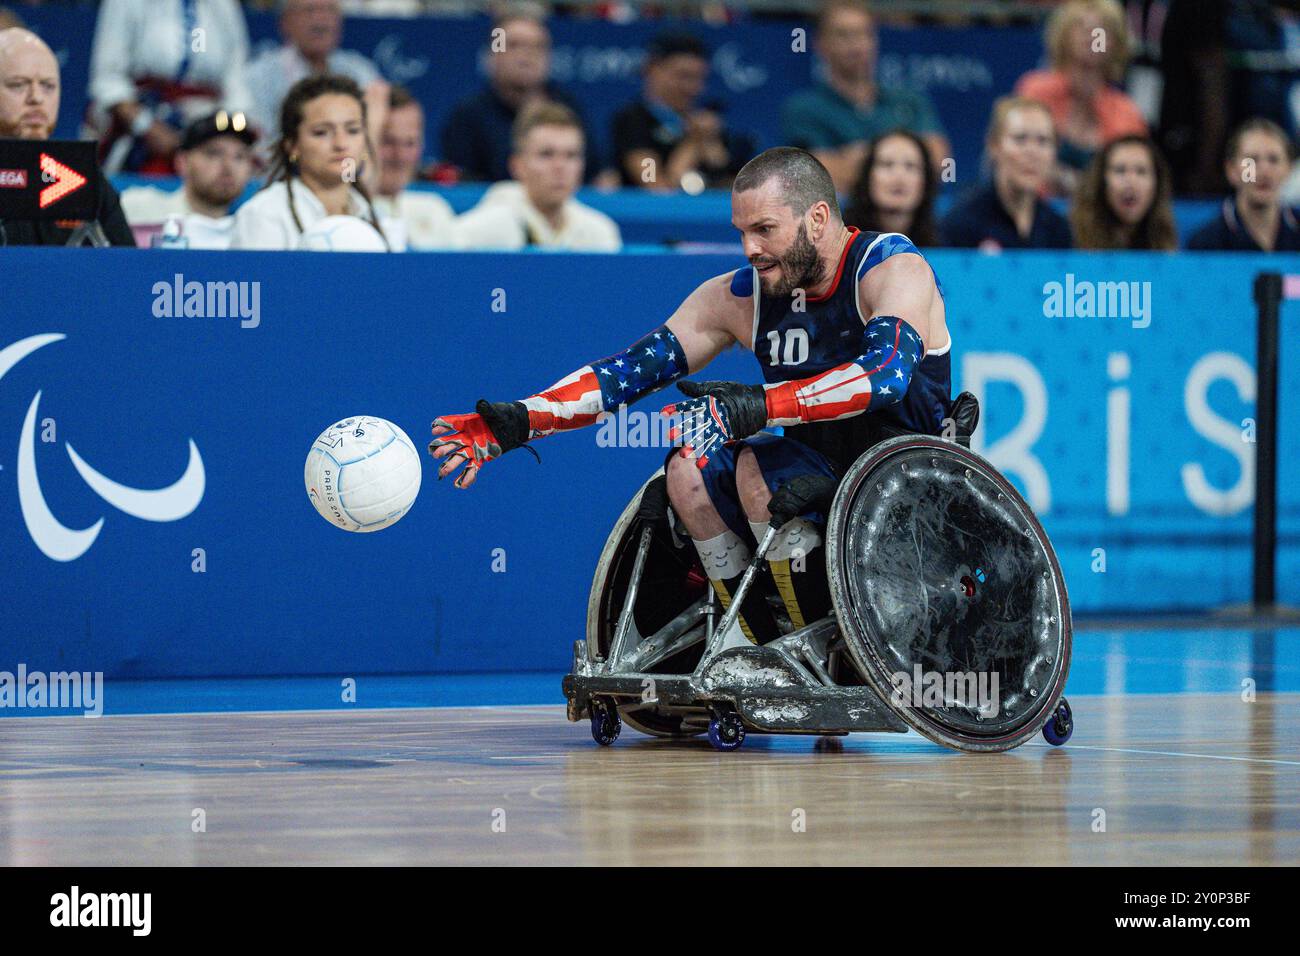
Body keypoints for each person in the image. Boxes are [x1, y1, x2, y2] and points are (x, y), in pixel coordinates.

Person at [428, 147, 953, 645]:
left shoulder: (892, 268)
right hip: (812, 463)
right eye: (742, 231)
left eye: (764, 230)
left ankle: (832, 647)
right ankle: (756, 644)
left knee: (753, 472)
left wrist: (760, 405)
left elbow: (883, 376)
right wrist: (524, 419)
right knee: (687, 467)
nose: (750, 249)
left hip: (903, 472)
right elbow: (625, 374)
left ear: (817, 219)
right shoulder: (741, 295)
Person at [781, 0, 950, 195]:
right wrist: (904, 158)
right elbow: (817, 178)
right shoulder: (803, 108)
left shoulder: (910, 99)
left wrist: (857, 157)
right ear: (820, 43)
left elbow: (937, 162)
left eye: (864, 34)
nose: (856, 45)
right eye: (843, 35)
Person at [230, 74, 399, 251]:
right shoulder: (264, 215)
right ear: (292, 146)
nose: (341, 144)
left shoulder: (380, 220)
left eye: (353, 130)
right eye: (321, 132)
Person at [0, 28, 134, 247]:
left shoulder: (81, 174)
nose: (36, 98)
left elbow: (127, 266)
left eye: (48, 86)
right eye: (18, 85)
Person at [86, 0, 253, 174]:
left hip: (209, 127)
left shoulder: (224, 5)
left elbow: (237, 81)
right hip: (144, 126)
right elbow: (108, 79)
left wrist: (227, 131)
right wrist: (146, 126)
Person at [439, 10, 602, 184]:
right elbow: (461, 182)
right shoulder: (467, 116)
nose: (526, 56)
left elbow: (595, 175)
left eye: (537, 47)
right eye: (514, 45)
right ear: (492, 55)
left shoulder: (569, 110)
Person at [1013, 0, 1147, 195]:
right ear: (1064, 37)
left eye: (1100, 29)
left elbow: (1132, 181)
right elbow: (1016, 160)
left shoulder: (1127, 113)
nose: (1090, 35)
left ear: (1115, 43)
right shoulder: (1035, 92)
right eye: (1080, 26)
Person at [455, 103, 621, 251]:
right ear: (517, 165)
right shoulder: (481, 230)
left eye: (571, 155)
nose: (560, 167)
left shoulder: (600, 233)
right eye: (546, 154)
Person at [609, 31, 755, 191]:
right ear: (653, 70)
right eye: (683, 76)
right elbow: (653, 184)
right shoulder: (633, 121)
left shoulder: (710, 127)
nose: (693, 88)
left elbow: (739, 191)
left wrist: (716, 154)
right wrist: (693, 143)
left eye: (699, 78)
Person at [245, 0, 387, 149]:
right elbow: (257, 143)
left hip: (349, 168)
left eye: (330, 10)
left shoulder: (359, 70)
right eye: (310, 10)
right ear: (285, 22)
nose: (321, 20)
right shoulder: (258, 76)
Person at [939, 97, 1073, 250]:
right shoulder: (960, 223)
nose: (1032, 152)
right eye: (1020, 139)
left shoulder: (1059, 230)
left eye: (1043, 141)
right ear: (993, 145)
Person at [119, 110, 257, 250]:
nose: (228, 166)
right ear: (182, 162)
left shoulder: (253, 232)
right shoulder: (139, 208)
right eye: (213, 153)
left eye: (240, 156)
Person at [1185, 118, 1300, 252]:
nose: (1264, 172)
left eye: (1273, 160)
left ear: (1289, 169)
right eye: (1252, 160)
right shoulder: (1206, 243)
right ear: (1231, 170)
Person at [373, 86, 458, 250]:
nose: (400, 155)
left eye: (410, 143)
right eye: (387, 141)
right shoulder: (345, 211)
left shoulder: (433, 209)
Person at [1070, 134, 1176, 250]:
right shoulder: (1069, 235)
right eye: (1120, 170)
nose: (1131, 182)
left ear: (1157, 183)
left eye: (1141, 171)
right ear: (1101, 181)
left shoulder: (1165, 238)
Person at [843, 129, 938, 247]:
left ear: (926, 180)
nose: (899, 177)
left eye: (910, 166)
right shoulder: (841, 240)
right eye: (887, 164)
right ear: (867, 176)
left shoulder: (946, 239)